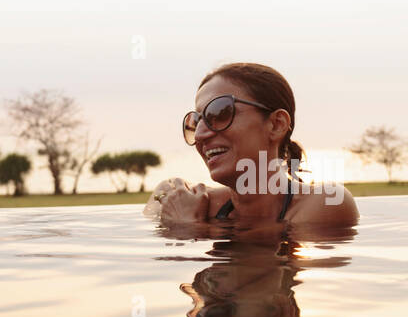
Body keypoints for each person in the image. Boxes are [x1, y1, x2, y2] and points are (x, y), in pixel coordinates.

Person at [147, 62, 357, 226]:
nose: (200, 134)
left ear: (276, 124)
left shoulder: (328, 202)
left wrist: (187, 227)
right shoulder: (177, 197)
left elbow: (266, 278)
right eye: (196, 121)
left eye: (219, 112)